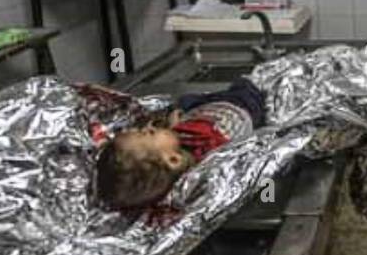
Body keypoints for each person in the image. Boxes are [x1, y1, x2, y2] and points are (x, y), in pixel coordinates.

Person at [94, 79, 266, 209]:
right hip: (239, 106)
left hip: (200, 111)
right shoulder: (211, 153)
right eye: (150, 133)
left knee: (184, 101)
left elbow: (174, 139)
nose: (148, 127)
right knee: (248, 88)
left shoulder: (174, 147)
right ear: (173, 159)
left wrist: (173, 126)